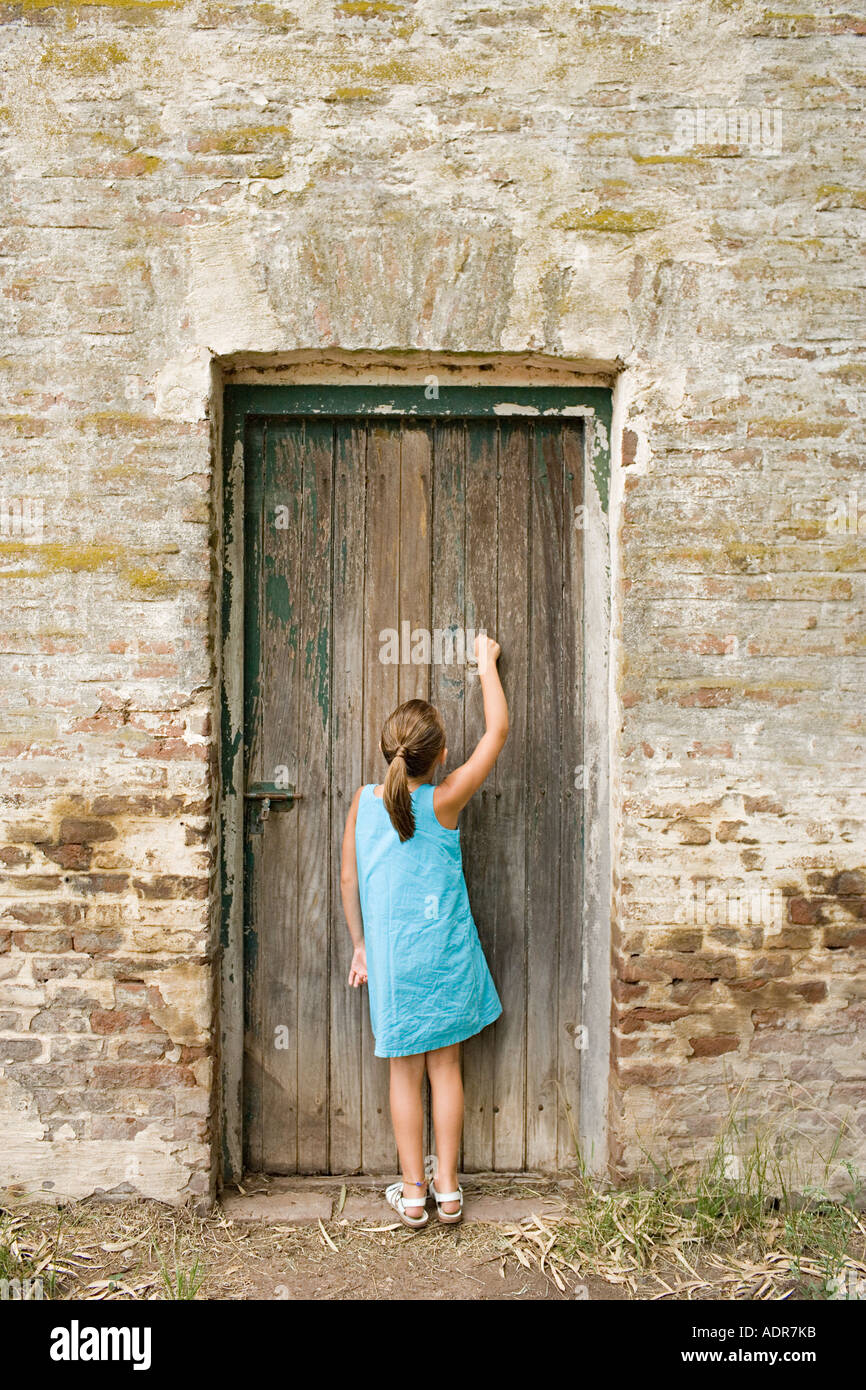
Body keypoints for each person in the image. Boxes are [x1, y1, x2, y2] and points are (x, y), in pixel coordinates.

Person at [339, 634, 508, 1228]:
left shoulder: (363, 803)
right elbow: (497, 734)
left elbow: (347, 883)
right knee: (446, 1069)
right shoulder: (445, 800)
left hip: (392, 959)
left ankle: (413, 1195)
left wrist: (361, 947)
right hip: (445, 955)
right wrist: (486, 663)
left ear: (387, 751)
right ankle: (451, 1190)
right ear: (438, 758)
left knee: (404, 1073)